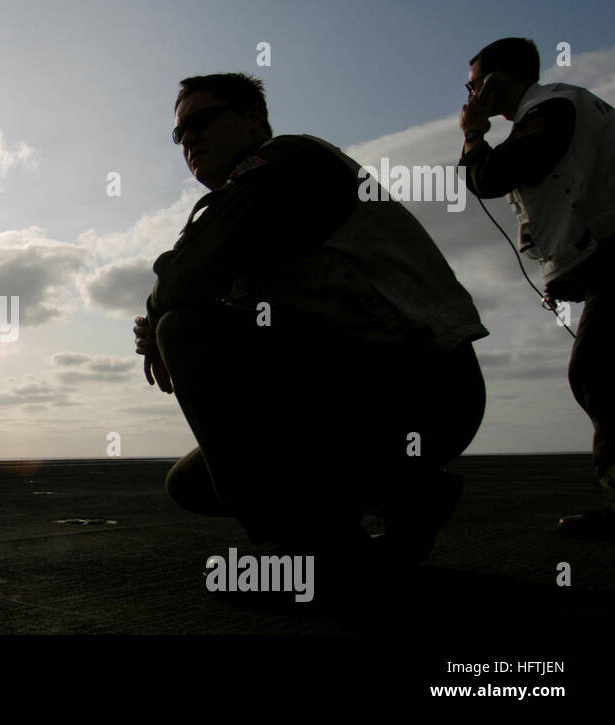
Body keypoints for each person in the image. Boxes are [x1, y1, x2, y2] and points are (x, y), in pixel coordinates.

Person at [136, 73, 489, 564]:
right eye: (179, 134)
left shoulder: (290, 164)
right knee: (194, 484)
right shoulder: (240, 204)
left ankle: (319, 553)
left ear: (253, 119)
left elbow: (187, 276)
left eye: (201, 120)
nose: (188, 138)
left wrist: (157, 320)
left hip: (423, 387)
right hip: (364, 394)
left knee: (187, 332)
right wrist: (165, 305)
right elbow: (194, 274)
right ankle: (407, 493)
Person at [459, 37, 615, 540]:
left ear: (496, 82)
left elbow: (494, 176)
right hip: (602, 264)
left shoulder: (550, 107)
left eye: (472, 84)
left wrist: (474, 135)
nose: (468, 95)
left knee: (597, 374)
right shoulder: (566, 107)